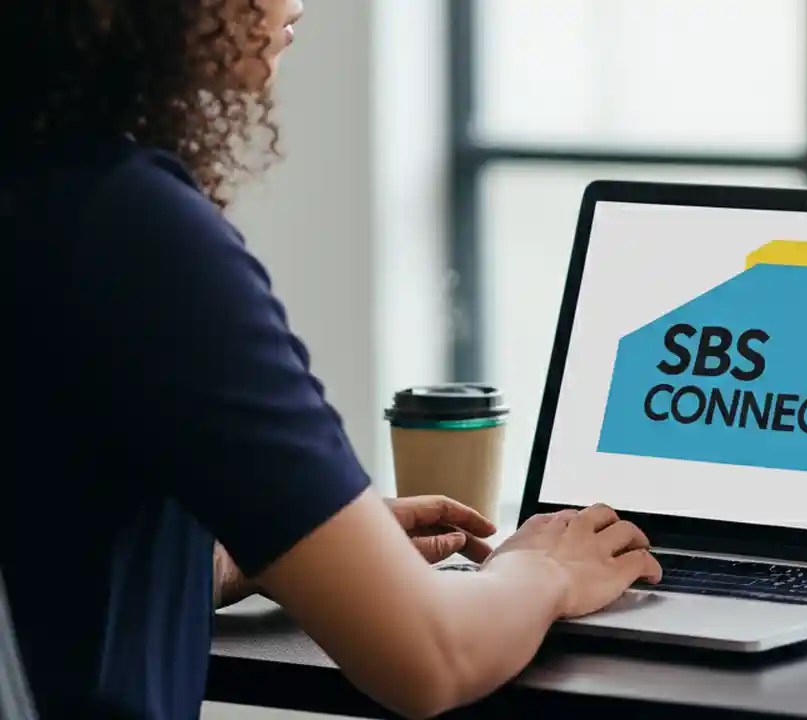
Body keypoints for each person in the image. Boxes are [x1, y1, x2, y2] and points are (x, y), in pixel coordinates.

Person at [0, 1, 663, 718]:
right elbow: (433, 658)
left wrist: (258, 556)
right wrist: (546, 570)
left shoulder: (34, 187)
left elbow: (44, 529)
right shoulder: (128, 230)